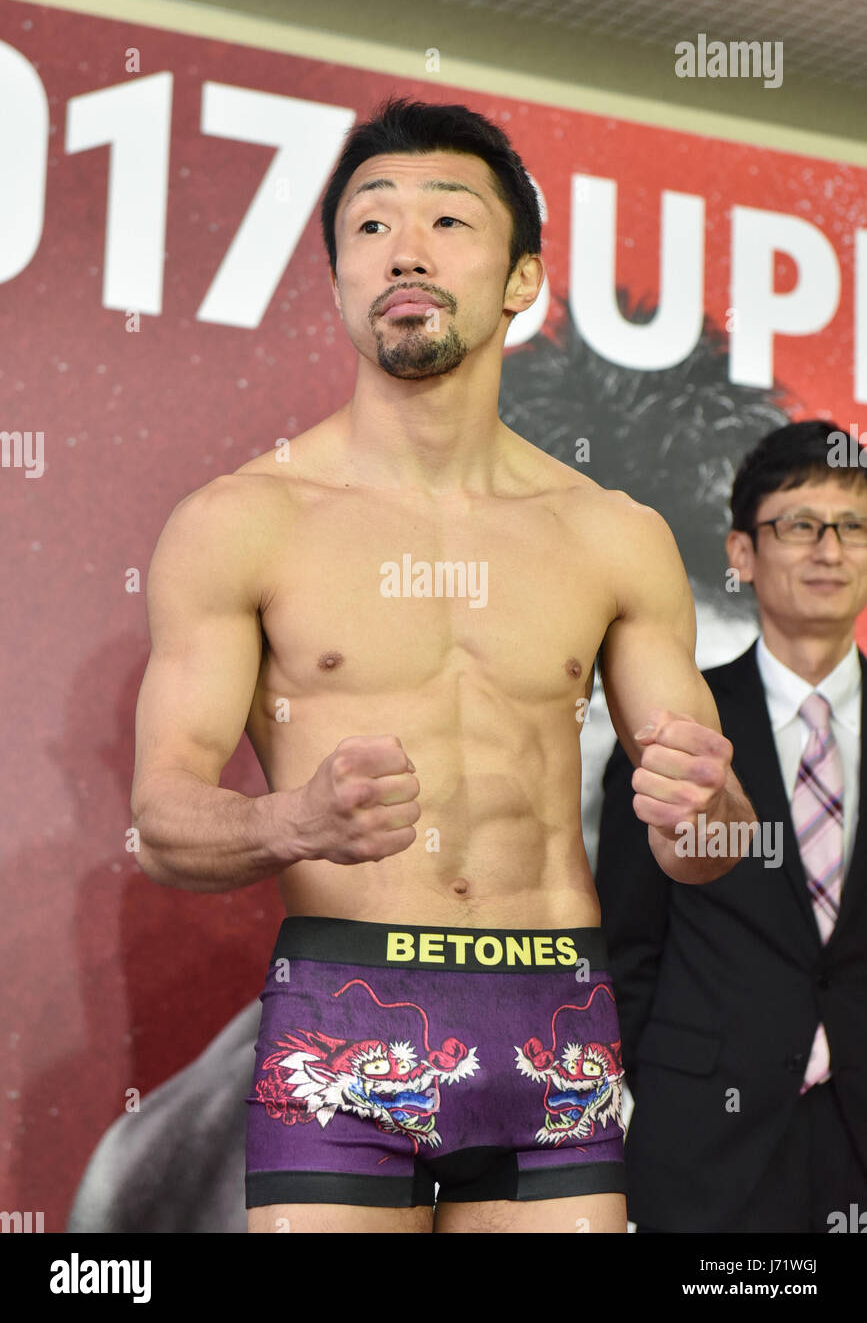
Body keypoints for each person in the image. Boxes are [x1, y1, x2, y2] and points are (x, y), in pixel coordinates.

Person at [131, 95, 757, 1235]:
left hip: (555, 1022)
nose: (403, 248)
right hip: (345, 1021)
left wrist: (705, 808)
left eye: (448, 220)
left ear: (522, 281)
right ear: (336, 282)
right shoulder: (241, 522)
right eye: (370, 227)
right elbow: (163, 820)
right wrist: (292, 823)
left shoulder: (614, 535)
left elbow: (710, 843)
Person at [596, 419, 867, 1233]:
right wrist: (671, 1081)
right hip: (708, 1144)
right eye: (798, 525)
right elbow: (626, 942)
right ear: (741, 554)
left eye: (852, 526)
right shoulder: (675, 725)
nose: (829, 549)